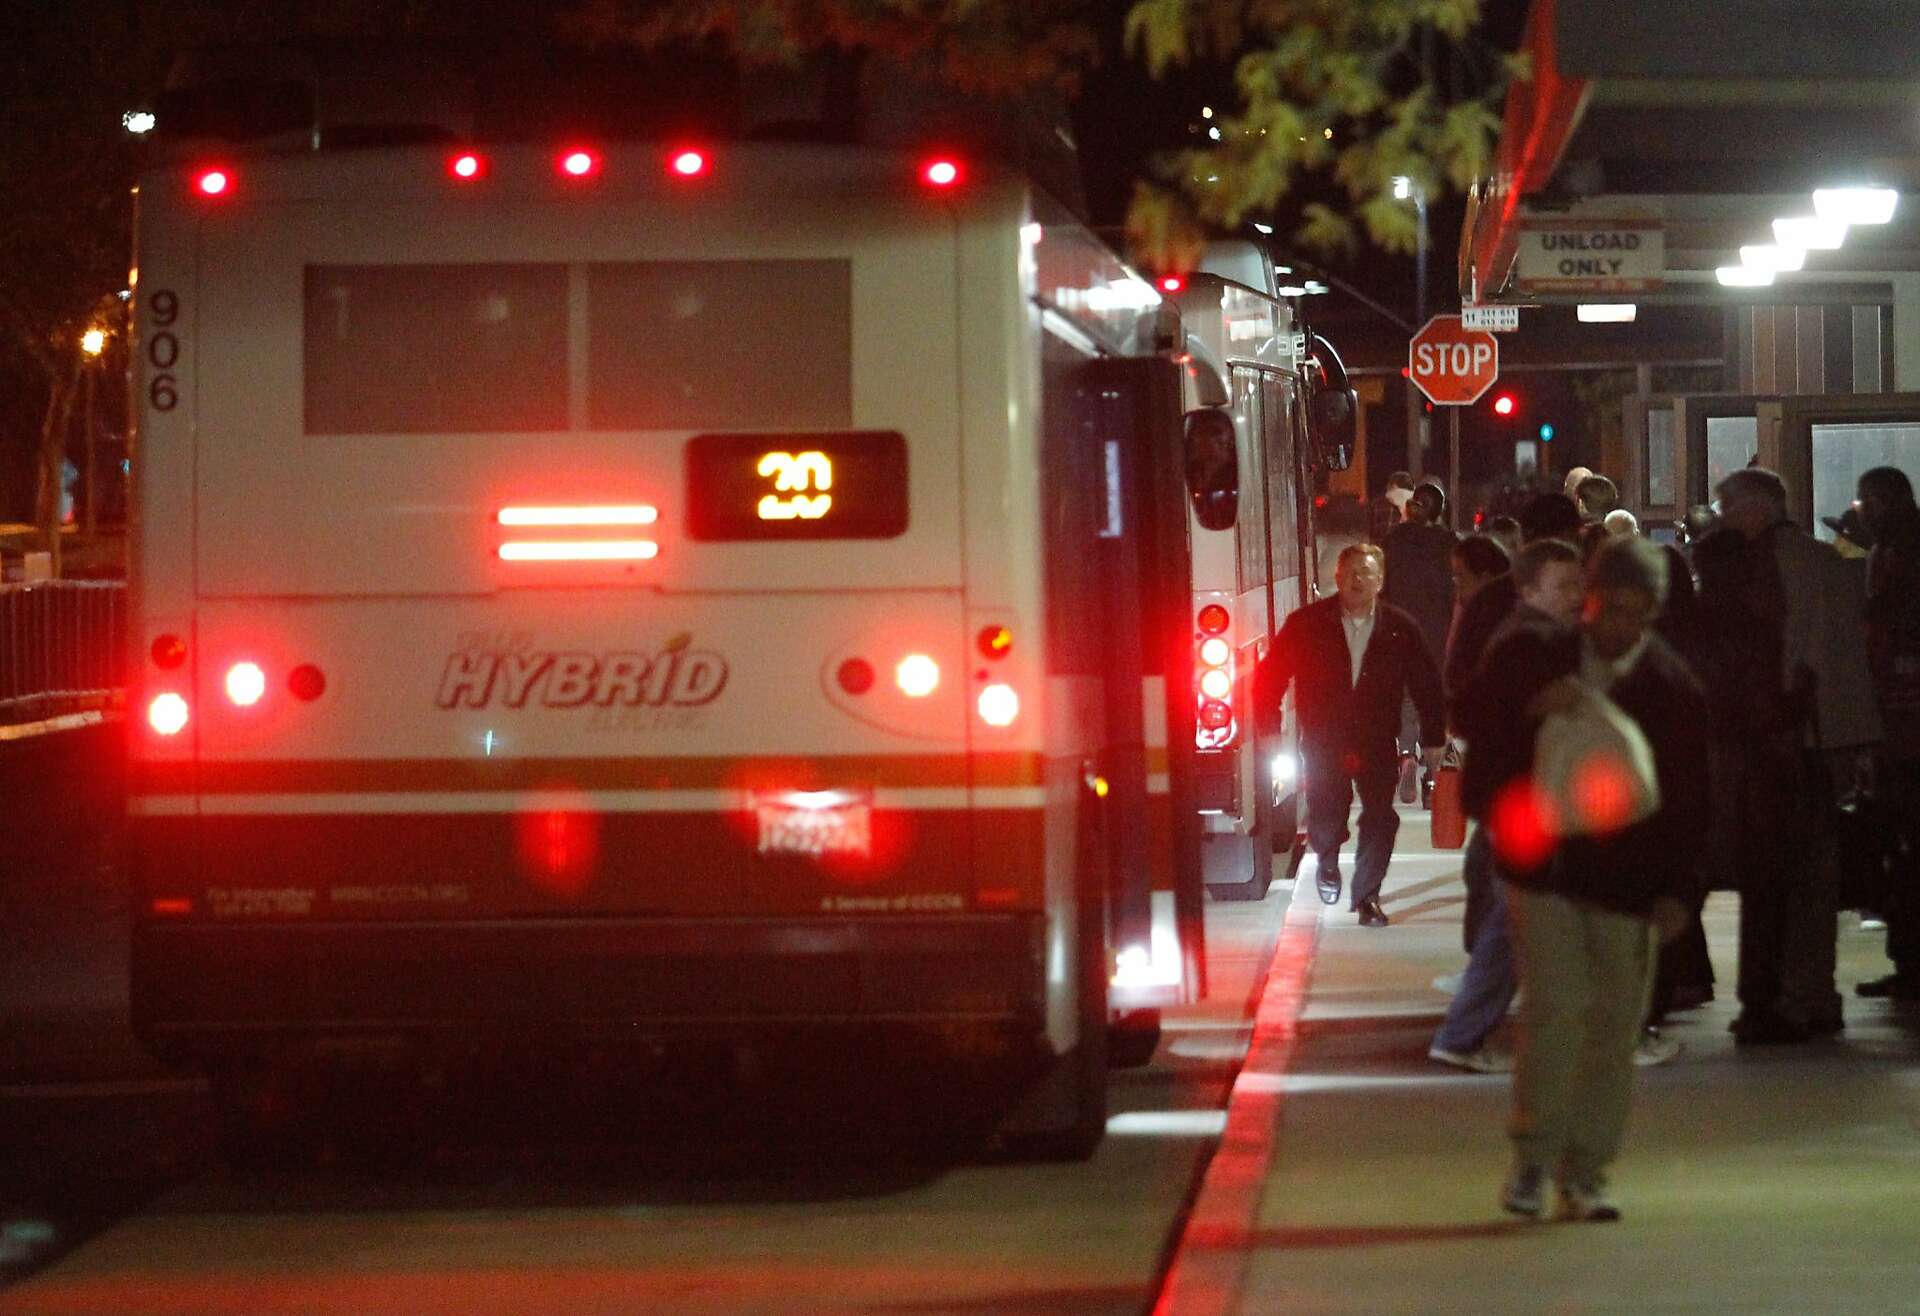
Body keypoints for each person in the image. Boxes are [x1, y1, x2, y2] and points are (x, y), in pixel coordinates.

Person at [1457, 537, 1709, 1221]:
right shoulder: (1529, 660)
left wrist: (1681, 893)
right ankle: (1535, 1161)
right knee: (1556, 1013)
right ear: (1588, 598)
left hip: (1630, 885)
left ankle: (1586, 1170)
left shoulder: (1671, 689)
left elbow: (1691, 803)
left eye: (1636, 612)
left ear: (1654, 611)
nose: (1618, 625)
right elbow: (1478, 740)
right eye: (1608, 606)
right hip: (1546, 874)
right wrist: (1523, 718)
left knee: (1612, 1031)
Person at [1704, 467, 1882, 1044]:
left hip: (1786, 738)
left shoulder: (1769, 565)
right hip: (1823, 737)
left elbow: (1792, 651)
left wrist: (1773, 716)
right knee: (1814, 875)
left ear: (1757, 506)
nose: (1723, 513)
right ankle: (1812, 992)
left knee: (1782, 873)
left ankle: (1788, 996)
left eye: (1728, 503)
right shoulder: (1824, 560)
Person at [1428, 538, 1583, 1074]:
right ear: (1530, 588)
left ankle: (1472, 1032)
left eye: (1576, 583)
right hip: (1525, 800)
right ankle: (1464, 1033)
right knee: (1520, 919)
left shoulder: (1524, 639)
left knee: (1521, 916)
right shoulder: (1533, 647)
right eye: (1563, 585)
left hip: (1514, 797)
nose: (1574, 594)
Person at [1254, 543, 1445, 927]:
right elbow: (1270, 674)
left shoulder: (1399, 627)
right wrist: (1268, 725)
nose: (1358, 579)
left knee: (1380, 816)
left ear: (1380, 582)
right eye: (1351, 572)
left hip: (1376, 737)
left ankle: (1367, 895)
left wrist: (1434, 738)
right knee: (1326, 810)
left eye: (1367, 572)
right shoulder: (1307, 623)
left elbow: (1427, 684)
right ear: (1337, 578)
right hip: (1325, 737)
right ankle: (1326, 859)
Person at [1854, 466, 1920, 1001]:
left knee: (1904, 846)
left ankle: (1910, 959)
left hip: (1902, 725)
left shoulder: (1896, 556)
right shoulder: (1890, 550)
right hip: (1898, 722)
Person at [1383, 482, 1459, 802]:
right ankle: (1432, 775)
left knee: (1405, 696)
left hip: (1400, 629)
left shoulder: (1392, 540)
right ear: (1440, 511)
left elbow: (1381, 587)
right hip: (1437, 632)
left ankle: (1405, 755)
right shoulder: (1449, 543)